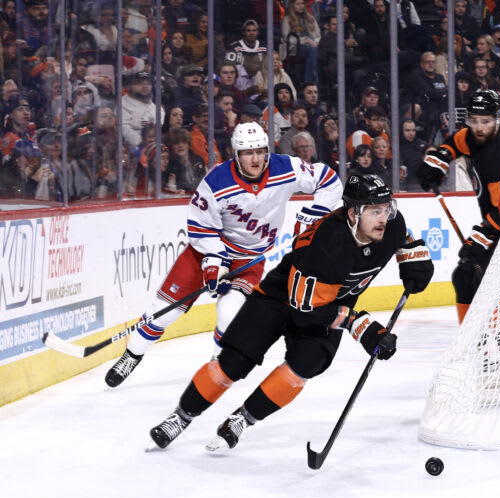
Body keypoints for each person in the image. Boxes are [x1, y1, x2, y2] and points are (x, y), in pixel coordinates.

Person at [147, 173, 434, 450]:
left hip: (324, 303)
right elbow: (305, 312)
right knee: (233, 363)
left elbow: (402, 237)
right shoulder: (327, 245)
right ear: (352, 214)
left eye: (386, 208)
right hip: (280, 300)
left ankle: (242, 419)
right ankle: (181, 417)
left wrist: (411, 253)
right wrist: (360, 325)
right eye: (374, 211)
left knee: (306, 364)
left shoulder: (391, 225)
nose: (383, 218)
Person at [104, 122, 344, 388]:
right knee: (162, 312)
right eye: (248, 153)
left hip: (248, 259)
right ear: (236, 154)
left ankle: (218, 362)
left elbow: (329, 179)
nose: (255, 159)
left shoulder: (285, 167)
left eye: (260, 151)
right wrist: (213, 262)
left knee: (230, 313)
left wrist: (316, 213)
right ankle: (132, 354)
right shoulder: (217, 181)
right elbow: (201, 226)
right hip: (204, 253)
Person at [416, 89, 500, 323]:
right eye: (474, 121)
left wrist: (481, 237)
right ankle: (474, 345)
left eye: (485, 121)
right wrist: (438, 161)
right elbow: (455, 142)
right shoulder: (475, 135)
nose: (478, 127)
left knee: (489, 281)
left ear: (499, 119)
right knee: (466, 276)